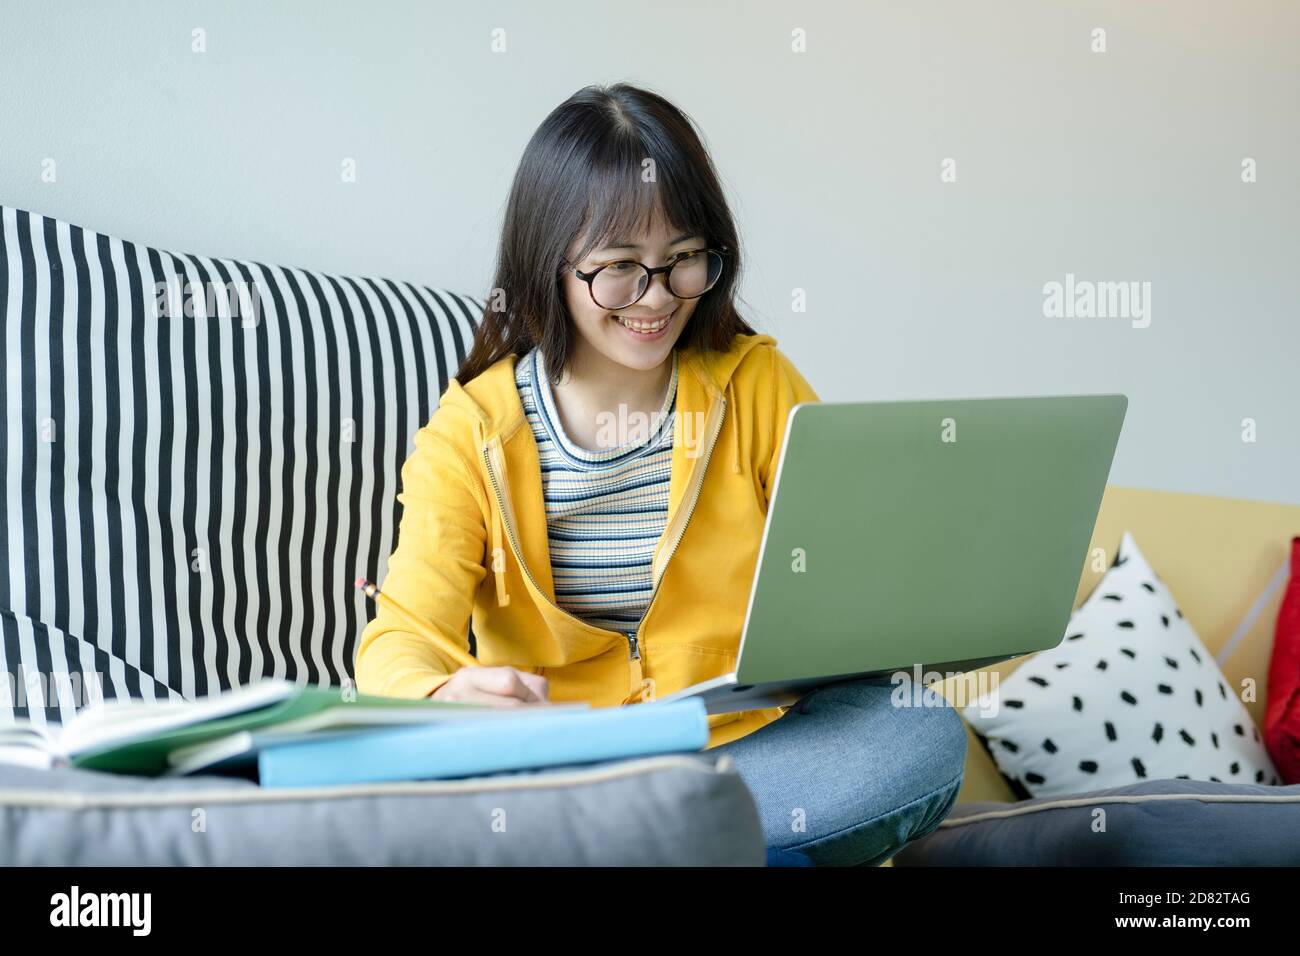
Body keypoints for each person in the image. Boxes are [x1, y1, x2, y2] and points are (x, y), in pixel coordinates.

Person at [355, 82, 966, 865]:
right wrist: (437, 693)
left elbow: (848, 564)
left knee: (917, 731)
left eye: (682, 261)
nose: (657, 298)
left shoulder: (756, 385)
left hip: (751, 753)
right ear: (552, 264)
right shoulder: (472, 431)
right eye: (619, 268)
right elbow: (402, 636)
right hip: (571, 776)